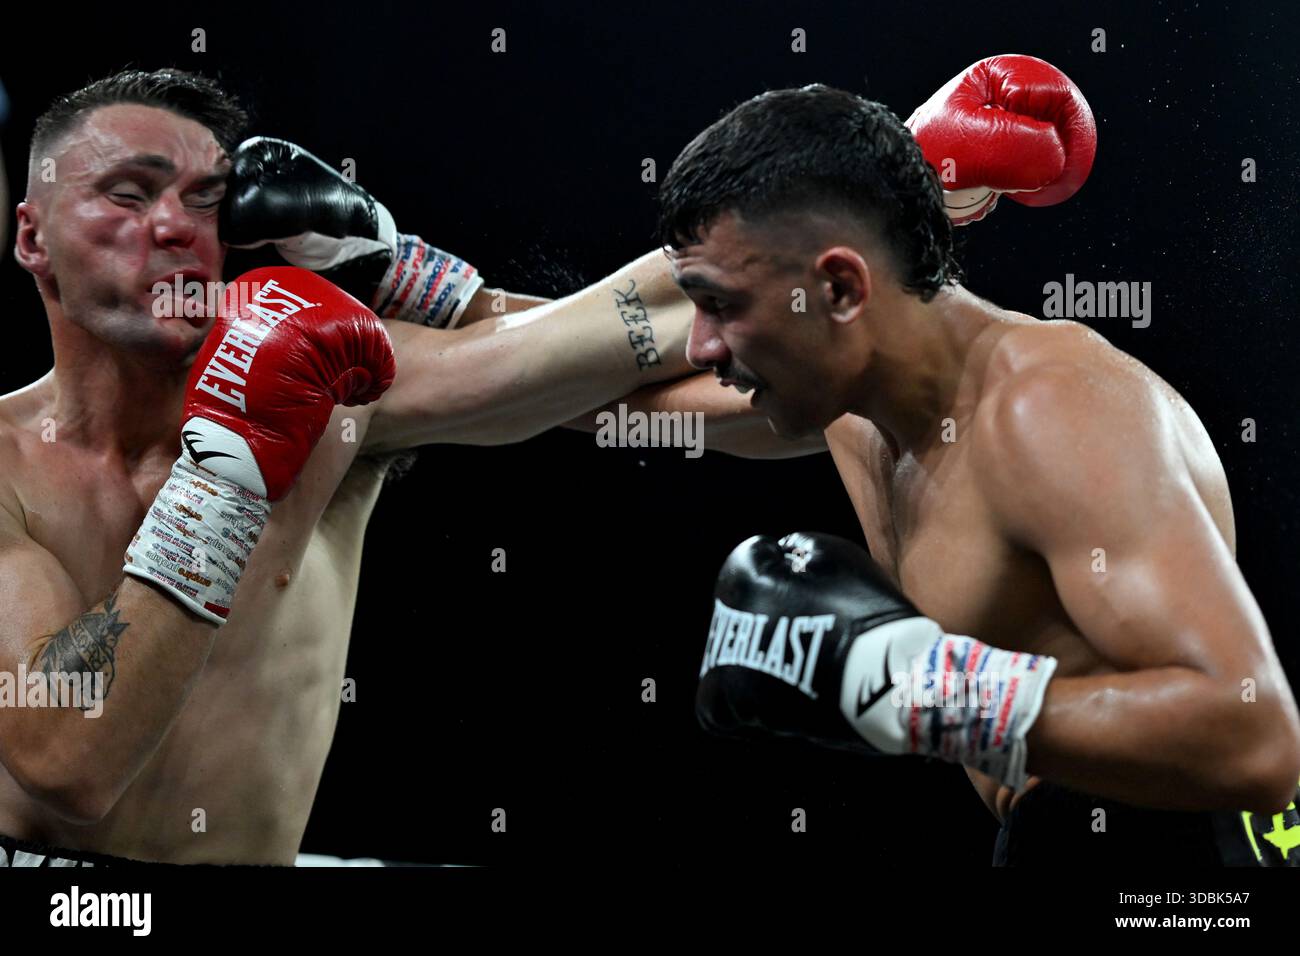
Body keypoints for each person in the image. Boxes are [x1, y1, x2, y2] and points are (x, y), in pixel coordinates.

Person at [0, 68, 809, 867]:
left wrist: (399, 268)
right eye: (129, 196)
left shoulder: (332, 394)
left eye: (208, 199)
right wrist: (225, 477)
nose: (176, 226)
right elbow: (72, 760)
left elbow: (731, 382)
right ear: (33, 237)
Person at [671, 61, 1300, 864]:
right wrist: (461, 308)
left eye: (719, 306)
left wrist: (911, 687)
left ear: (837, 291)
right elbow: (571, 393)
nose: (699, 346)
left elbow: (1256, 740)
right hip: (1042, 837)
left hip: (1181, 857)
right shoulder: (849, 409)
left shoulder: (1051, 409)